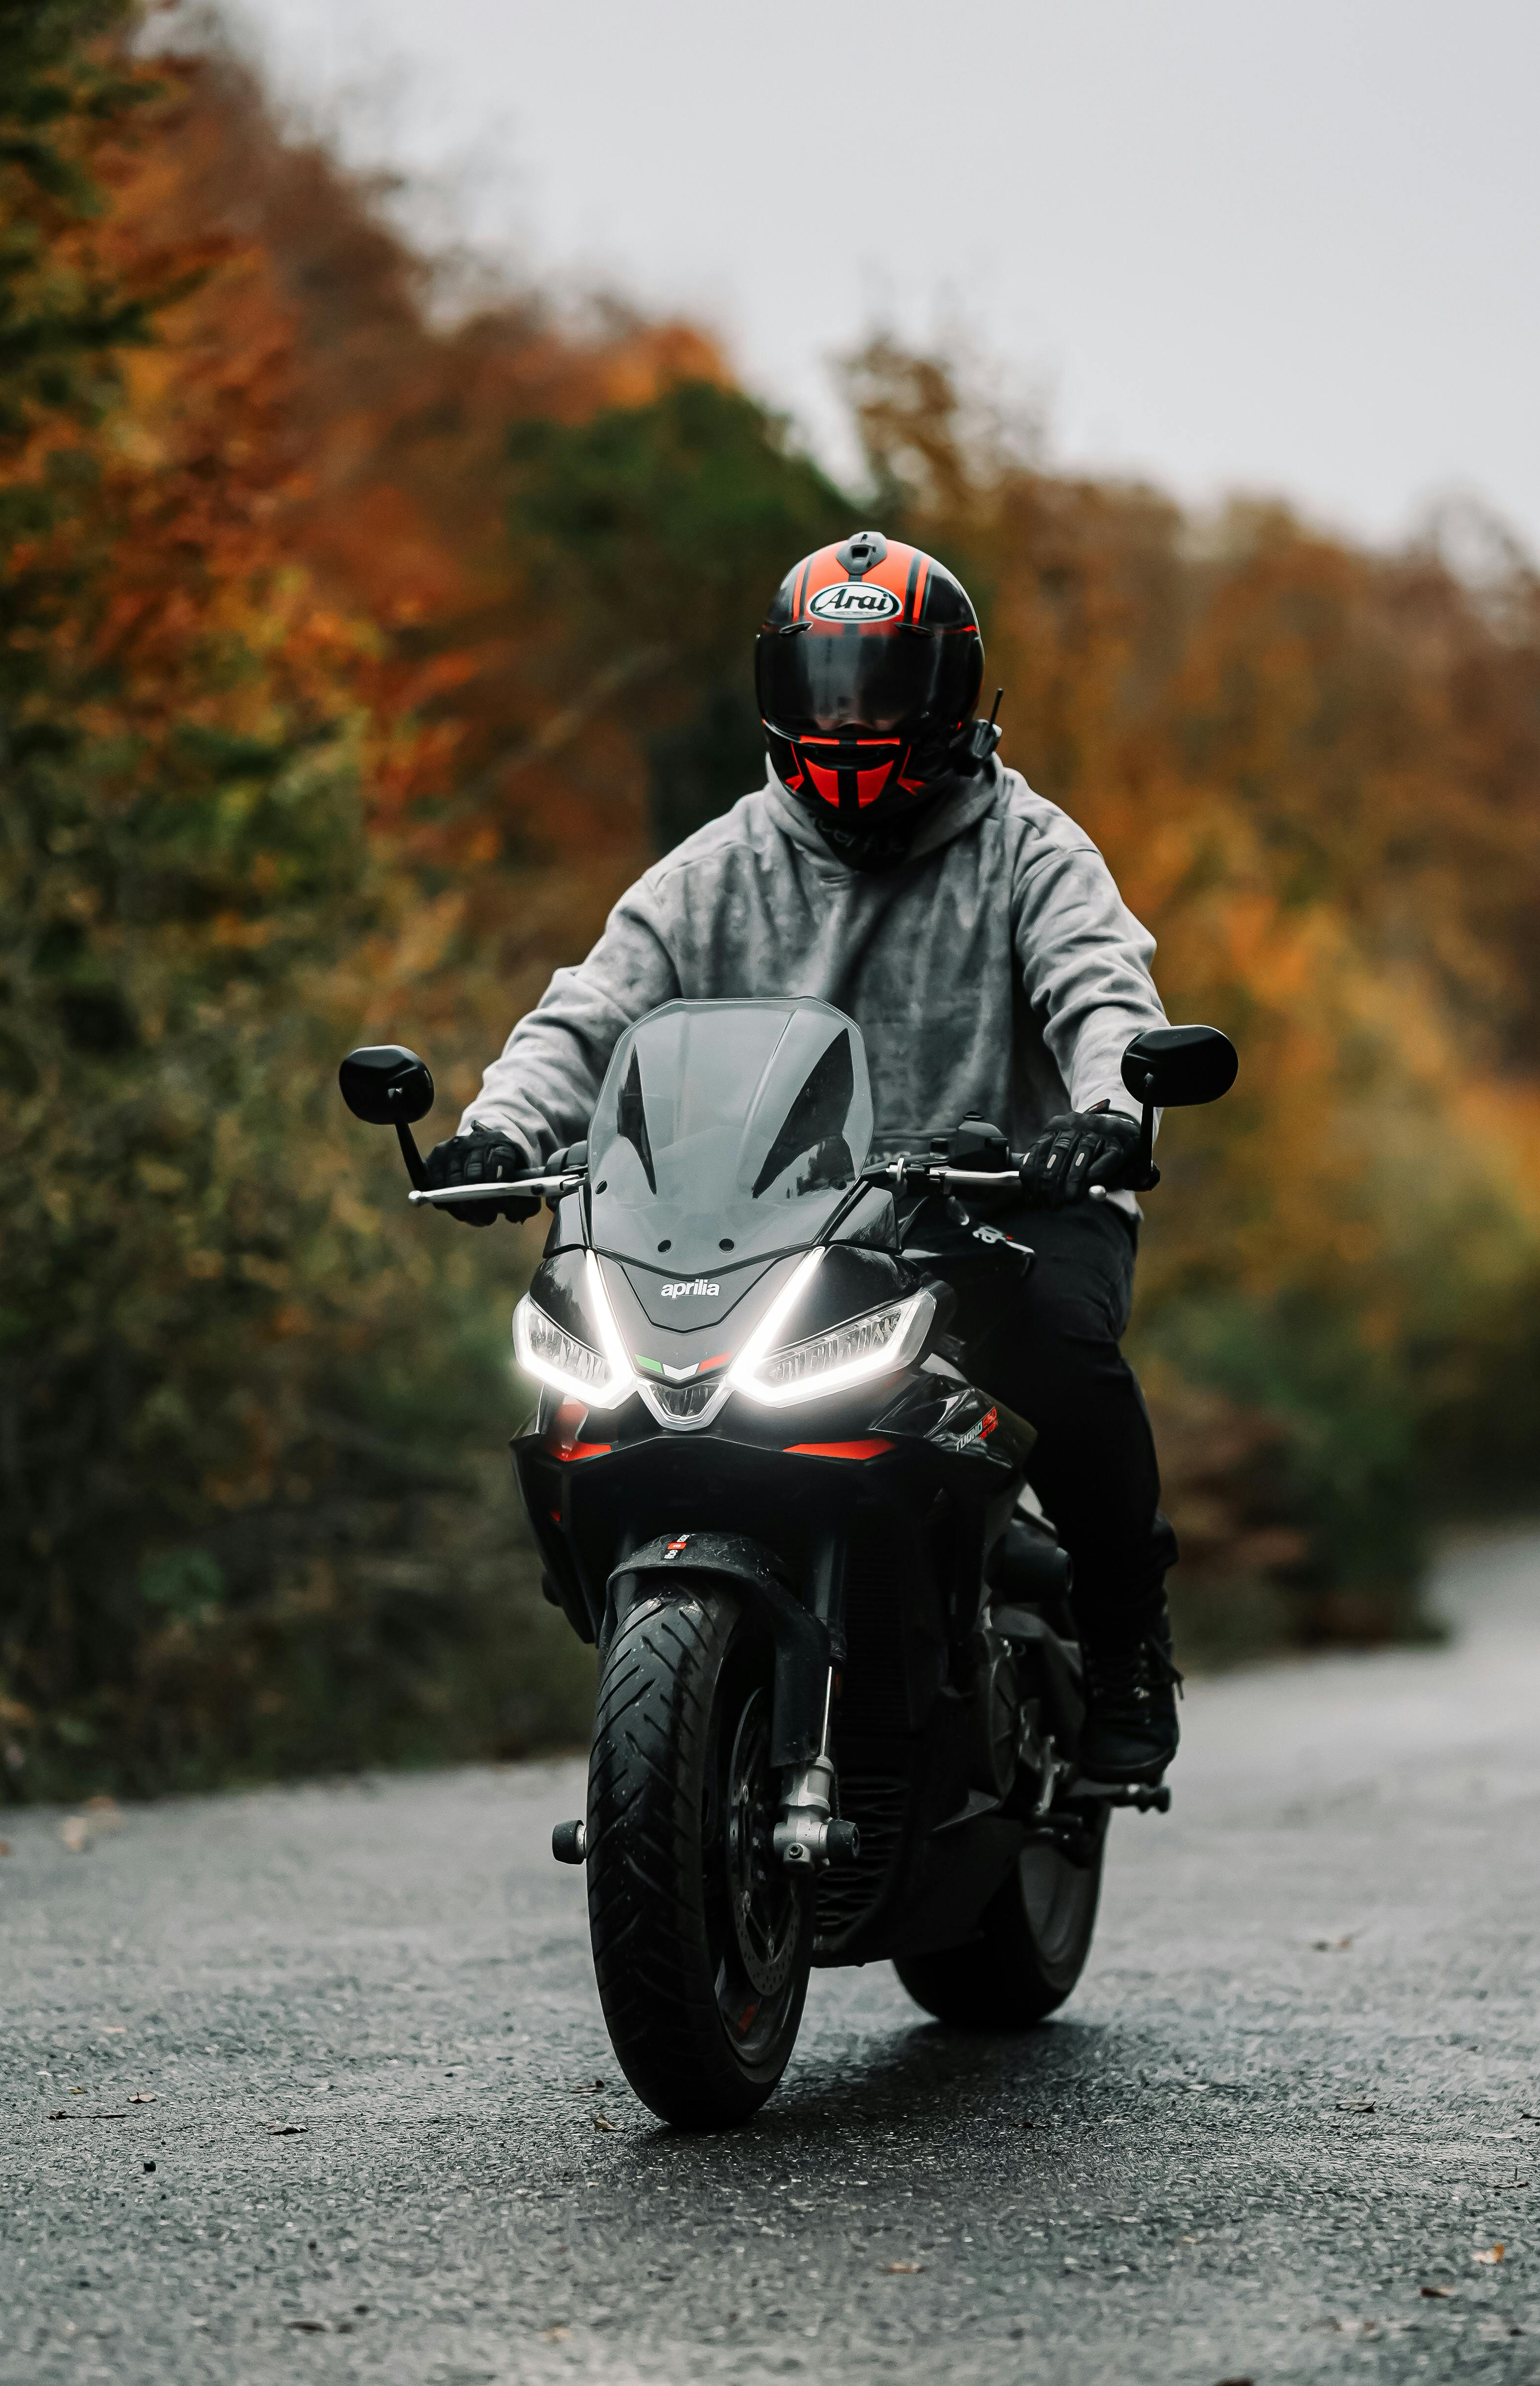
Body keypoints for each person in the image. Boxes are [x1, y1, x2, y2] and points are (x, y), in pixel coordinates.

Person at [420, 529, 1180, 1784]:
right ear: (778, 697)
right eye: (826, 684)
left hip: (1000, 1197)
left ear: (949, 691)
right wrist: (502, 1123)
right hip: (770, 1217)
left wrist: (1108, 1111)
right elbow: (591, 1008)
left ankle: (1120, 1638)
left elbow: (1104, 992)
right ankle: (678, 1667)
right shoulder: (718, 866)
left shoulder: (1030, 850)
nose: (851, 718)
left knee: (1061, 1343)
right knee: (593, 1378)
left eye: (882, 685)